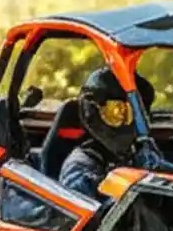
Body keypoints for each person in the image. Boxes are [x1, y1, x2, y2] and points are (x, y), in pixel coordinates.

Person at [59, 67, 155, 197]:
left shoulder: (143, 153)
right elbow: (82, 202)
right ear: (91, 112)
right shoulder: (79, 167)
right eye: (117, 112)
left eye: (135, 113)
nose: (129, 122)